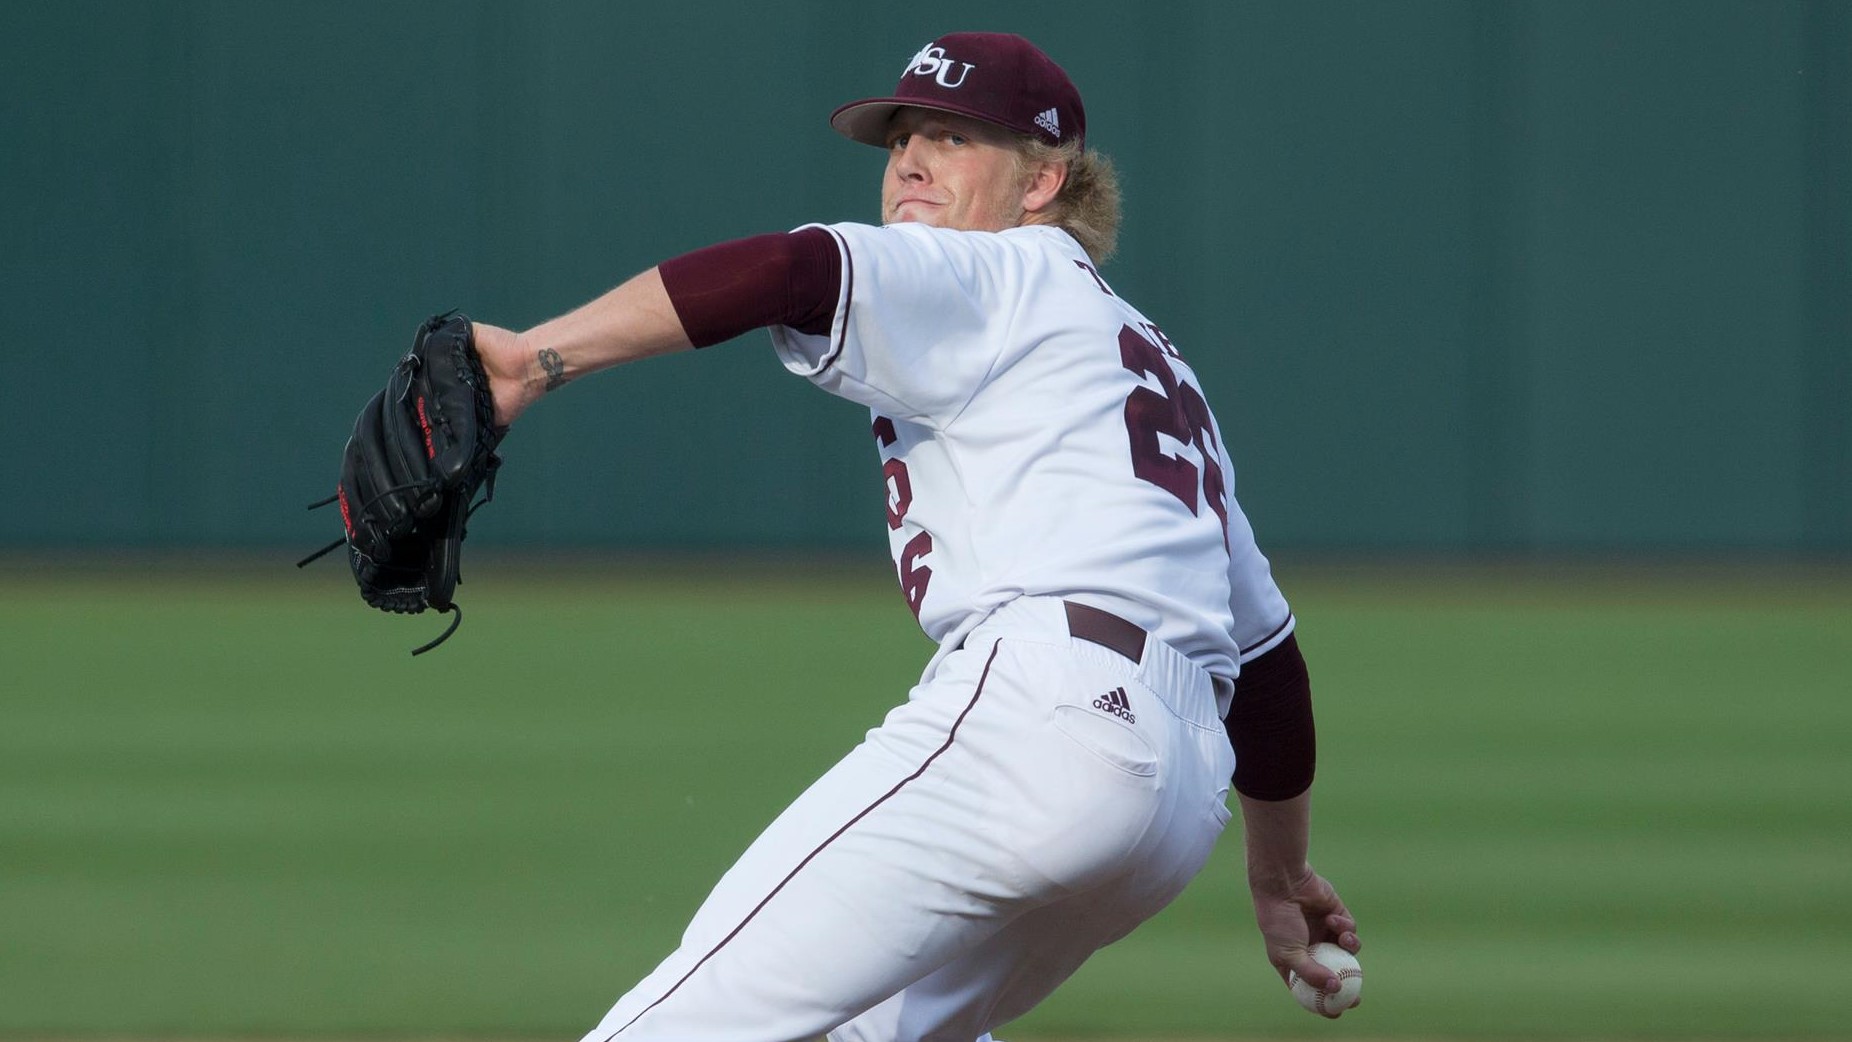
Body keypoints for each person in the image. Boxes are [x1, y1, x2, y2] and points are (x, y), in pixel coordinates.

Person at [468, 31, 1360, 1042]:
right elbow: (1267, 660)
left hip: (1044, 717)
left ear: (1042, 181)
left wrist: (535, 361)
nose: (912, 163)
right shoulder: (1143, 358)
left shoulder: (995, 273)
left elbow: (794, 268)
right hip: (1172, 803)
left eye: (953, 138)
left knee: (685, 1022)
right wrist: (1279, 874)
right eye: (901, 141)